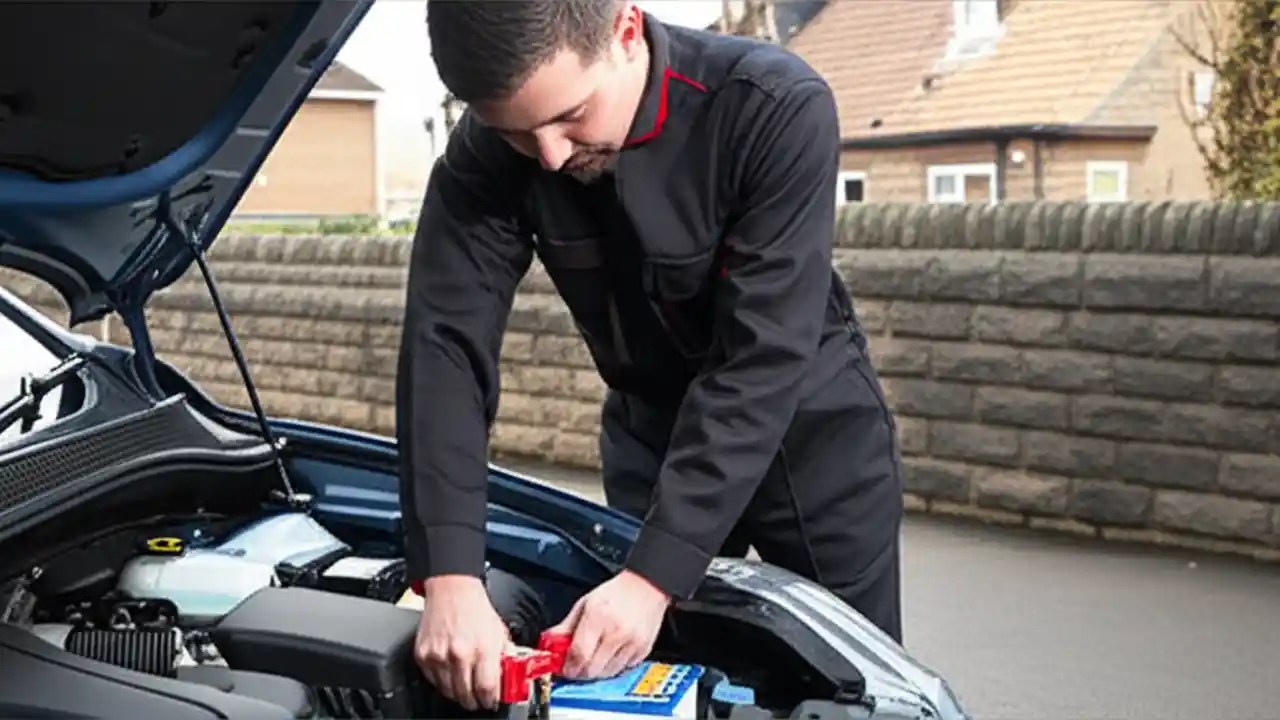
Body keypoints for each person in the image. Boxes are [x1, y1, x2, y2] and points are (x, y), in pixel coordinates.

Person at [394, 0, 904, 712]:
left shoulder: (774, 107)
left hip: (812, 440)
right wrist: (447, 576)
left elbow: (758, 362)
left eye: (571, 115)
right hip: (649, 438)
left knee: (845, 692)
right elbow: (444, 342)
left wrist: (652, 579)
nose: (550, 155)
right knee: (650, 687)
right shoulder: (488, 152)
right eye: (516, 132)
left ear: (626, 31)